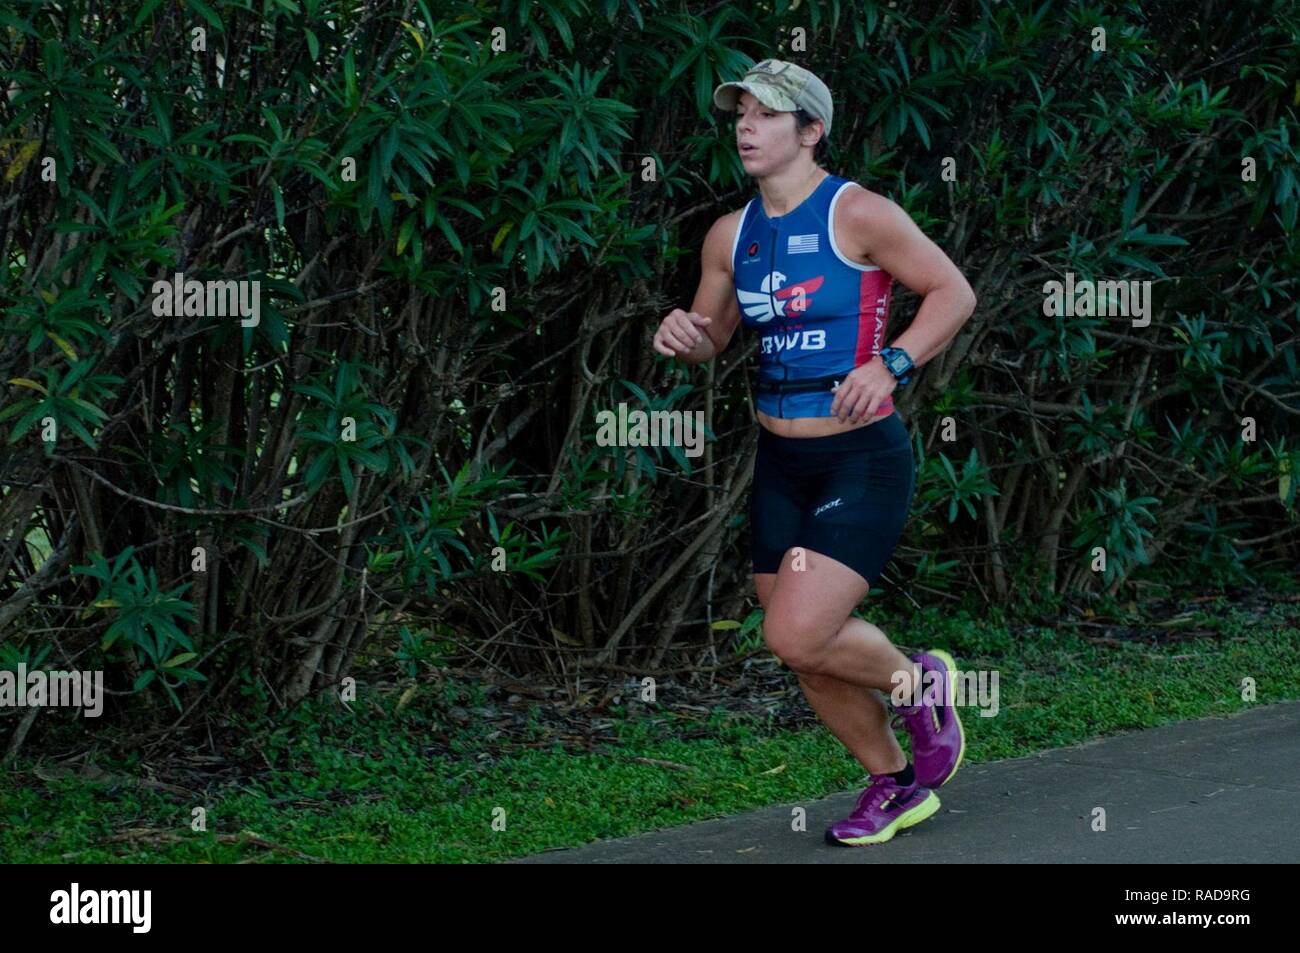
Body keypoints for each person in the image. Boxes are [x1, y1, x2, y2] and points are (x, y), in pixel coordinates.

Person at [653, 59, 978, 846]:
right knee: (807, 650)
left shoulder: (859, 213)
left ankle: (918, 680)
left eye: (766, 114)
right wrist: (681, 336)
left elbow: (953, 292)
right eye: (740, 114)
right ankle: (895, 783)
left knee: (795, 633)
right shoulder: (731, 234)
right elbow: (714, 336)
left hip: (859, 457)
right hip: (780, 464)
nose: (746, 126)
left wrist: (891, 363)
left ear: (811, 130)